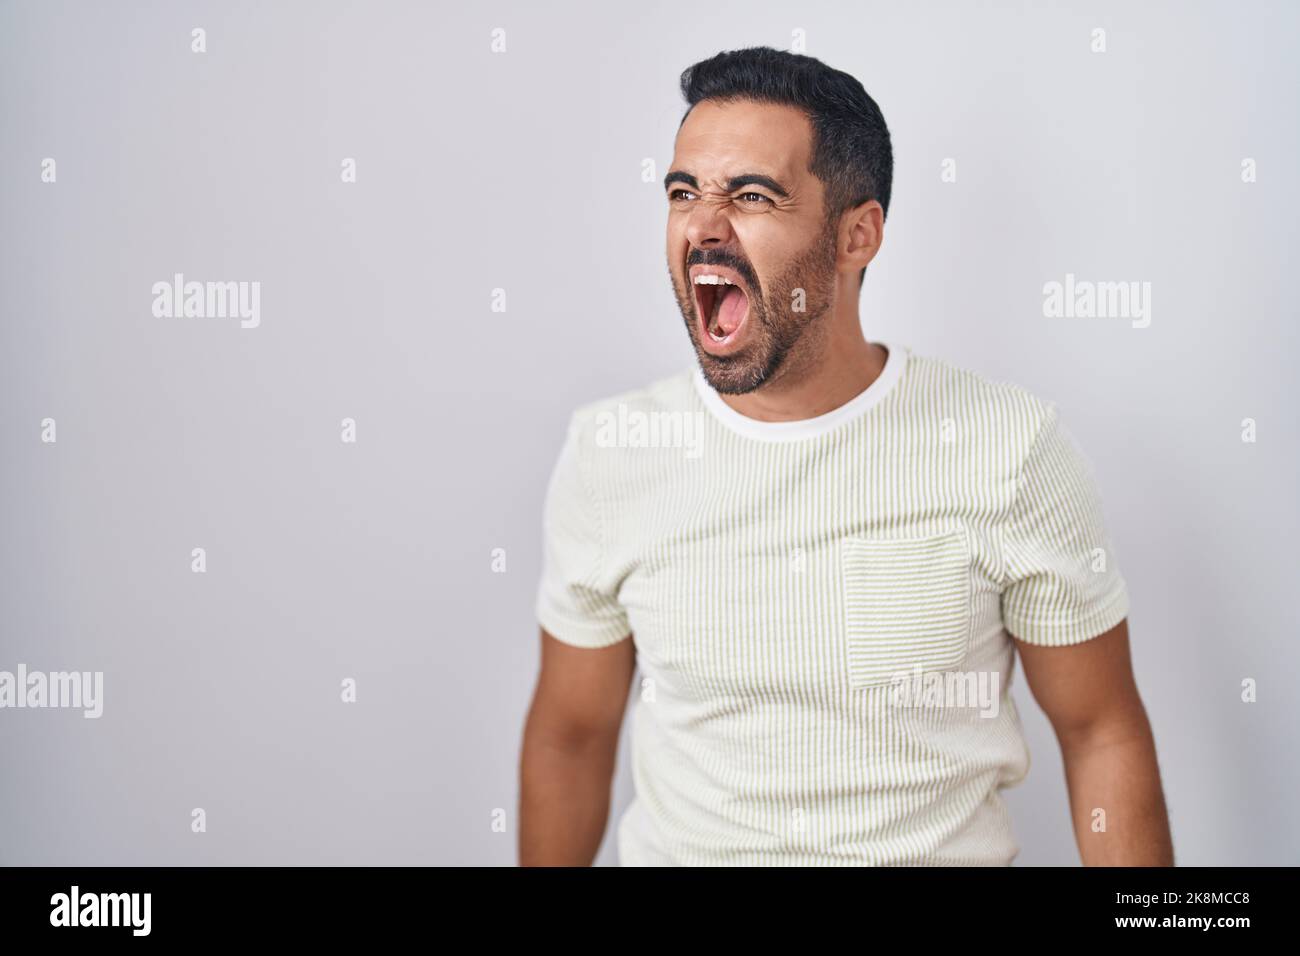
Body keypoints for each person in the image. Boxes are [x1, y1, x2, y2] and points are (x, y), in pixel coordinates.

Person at [519, 46, 1172, 866]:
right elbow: (571, 737)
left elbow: (1101, 731)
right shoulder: (611, 455)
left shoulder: (1009, 449)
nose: (703, 226)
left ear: (856, 235)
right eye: (684, 193)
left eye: (751, 196)